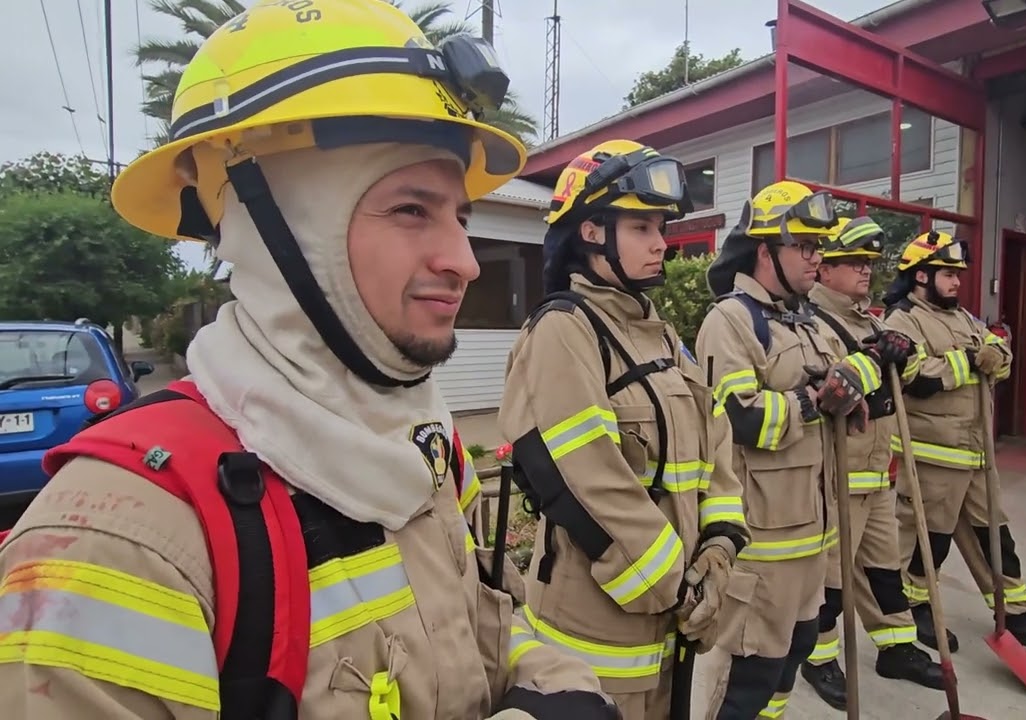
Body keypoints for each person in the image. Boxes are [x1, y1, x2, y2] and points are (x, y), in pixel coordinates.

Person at [0, 2, 620, 718]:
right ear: (275, 228)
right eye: (411, 210)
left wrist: (555, 678)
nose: (462, 262)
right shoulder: (113, 545)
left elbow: (478, 626)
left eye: (460, 218)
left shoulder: (423, 447)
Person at [496, 139, 751, 719]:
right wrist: (679, 589)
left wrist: (718, 550)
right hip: (595, 638)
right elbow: (586, 484)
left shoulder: (662, 336)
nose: (662, 242)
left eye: (661, 225)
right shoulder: (564, 331)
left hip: (671, 630)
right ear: (591, 232)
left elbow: (716, 452)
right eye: (642, 226)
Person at [695, 181, 880, 720]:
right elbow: (738, 419)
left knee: (791, 660)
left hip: (813, 537)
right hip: (763, 546)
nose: (816, 258)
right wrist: (815, 400)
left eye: (818, 247)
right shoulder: (730, 321)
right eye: (804, 245)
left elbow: (848, 376)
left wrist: (849, 391)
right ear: (764, 249)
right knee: (745, 680)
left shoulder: (805, 320)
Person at [882, 230, 1026, 654]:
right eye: (947, 274)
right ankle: (918, 611)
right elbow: (917, 378)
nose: (956, 282)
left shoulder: (964, 318)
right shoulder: (901, 321)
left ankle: (1017, 615)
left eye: (957, 274)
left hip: (976, 454)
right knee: (925, 544)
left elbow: (999, 357)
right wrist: (970, 360)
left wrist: (994, 356)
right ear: (920, 276)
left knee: (996, 538)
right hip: (932, 458)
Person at [799, 217, 945, 710]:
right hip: (836, 472)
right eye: (854, 262)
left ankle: (897, 646)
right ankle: (818, 659)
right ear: (826, 270)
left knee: (885, 570)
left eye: (869, 262)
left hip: (878, 470)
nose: (866, 270)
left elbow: (905, 382)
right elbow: (828, 391)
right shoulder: (811, 322)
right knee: (831, 580)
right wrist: (869, 361)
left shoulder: (874, 320)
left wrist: (900, 358)